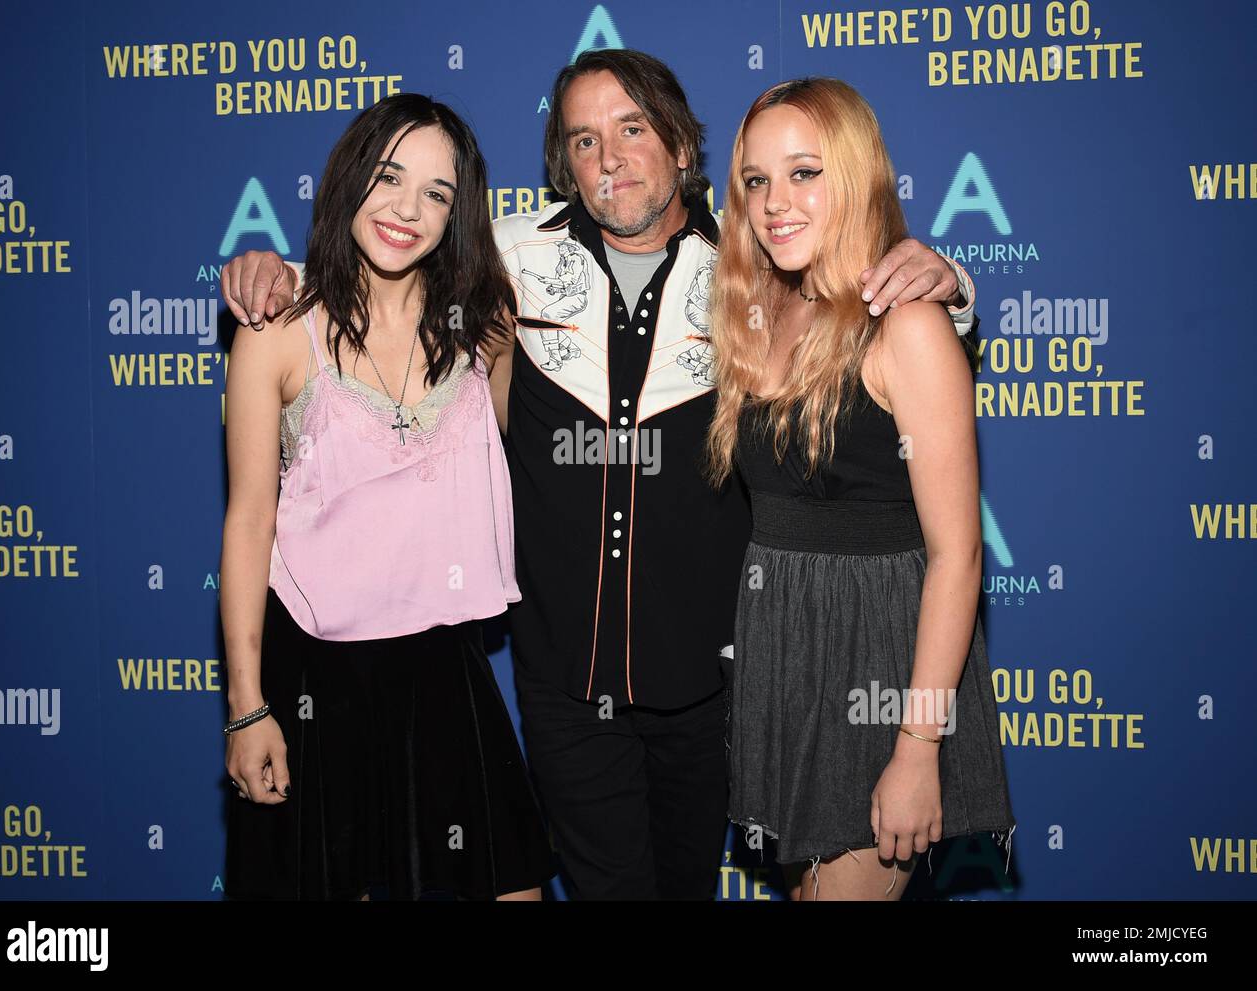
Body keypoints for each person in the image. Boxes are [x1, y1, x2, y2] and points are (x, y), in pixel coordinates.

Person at [221, 49, 978, 901]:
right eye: (583, 139)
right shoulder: (508, 255)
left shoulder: (755, 253)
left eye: (632, 129)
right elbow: (394, 254)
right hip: (564, 685)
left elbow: (862, 284)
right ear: (564, 163)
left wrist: (951, 283)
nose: (609, 156)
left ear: (684, 150)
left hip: (717, 682)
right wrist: (273, 270)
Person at [219, 93, 554, 901]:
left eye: (437, 194)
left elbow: (519, 451)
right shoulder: (277, 330)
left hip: (447, 673)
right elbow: (249, 522)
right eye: (390, 177)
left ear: (457, 214)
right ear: (350, 179)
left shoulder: (486, 324)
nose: (408, 209)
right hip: (315, 687)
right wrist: (245, 707)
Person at [706, 77, 1015, 901]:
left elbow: (956, 557)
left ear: (856, 174)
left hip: (879, 670)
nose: (776, 201)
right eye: (756, 180)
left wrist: (917, 748)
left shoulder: (905, 323)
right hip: (785, 667)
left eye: (805, 172)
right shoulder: (759, 310)